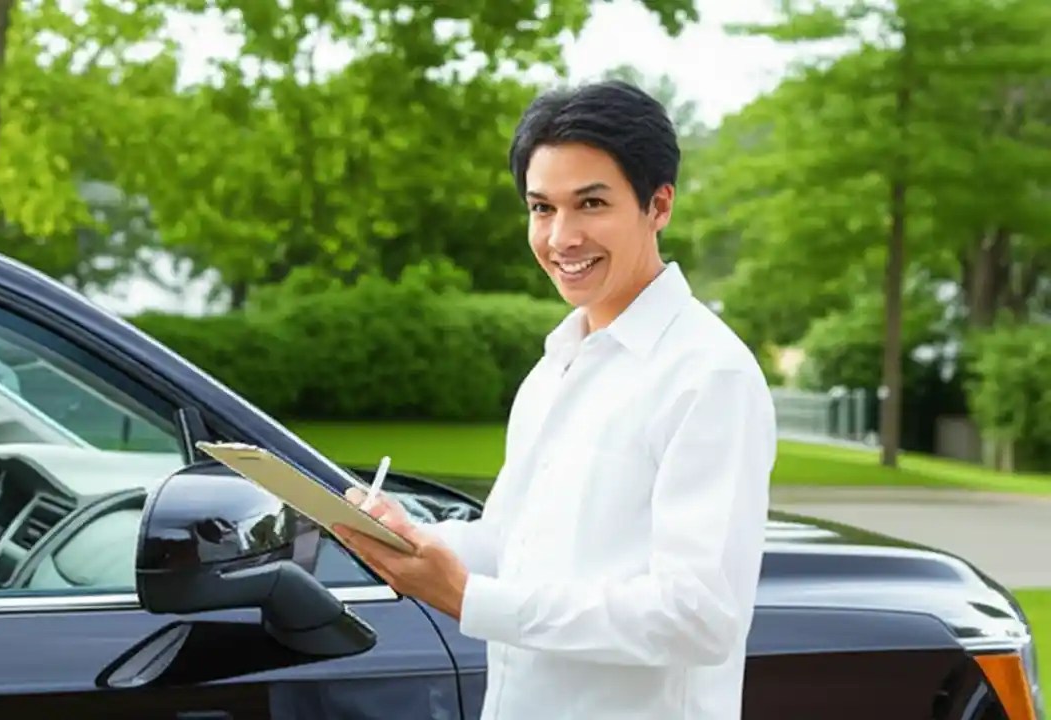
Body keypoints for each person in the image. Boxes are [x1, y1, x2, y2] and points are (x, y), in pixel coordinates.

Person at [333, 79, 777, 720]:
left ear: (659, 205)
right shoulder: (556, 364)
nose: (561, 237)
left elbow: (698, 617)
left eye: (590, 203)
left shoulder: (710, 375)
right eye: (542, 208)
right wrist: (409, 541)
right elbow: (515, 543)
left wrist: (469, 598)